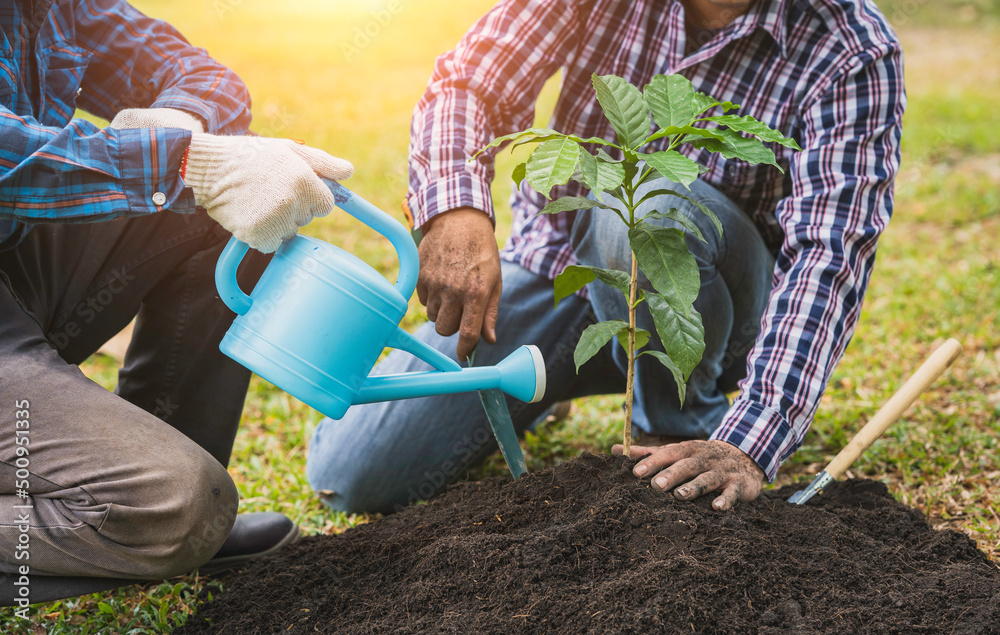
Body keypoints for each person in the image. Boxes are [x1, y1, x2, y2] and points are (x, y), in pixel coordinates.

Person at [306, 0, 904, 515]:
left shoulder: (852, 48)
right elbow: (472, 81)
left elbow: (829, 257)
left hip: (721, 320)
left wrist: (751, 439)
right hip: (565, 270)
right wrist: (455, 208)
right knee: (355, 471)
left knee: (648, 199)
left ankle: (677, 422)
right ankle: (551, 379)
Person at [0, 0, 352, 605]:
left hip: (18, 269)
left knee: (222, 217)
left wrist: (184, 127)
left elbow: (207, 78)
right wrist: (185, 159)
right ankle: (157, 516)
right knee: (177, 504)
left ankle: (162, 493)